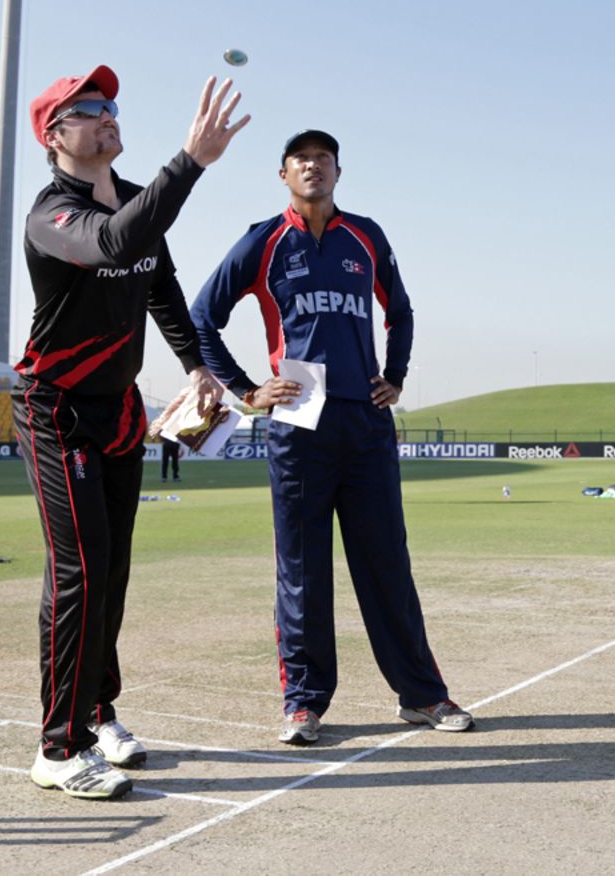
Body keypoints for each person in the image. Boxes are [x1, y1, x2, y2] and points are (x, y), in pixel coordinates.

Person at [190, 129, 473, 744]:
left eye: (322, 159)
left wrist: (393, 376)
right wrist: (246, 389)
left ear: (338, 171)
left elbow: (400, 310)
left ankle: (422, 695)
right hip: (297, 424)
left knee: (386, 564)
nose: (312, 167)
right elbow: (201, 315)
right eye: (300, 160)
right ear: (283, 175)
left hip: (364, 423)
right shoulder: (263, 240)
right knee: (302, 570)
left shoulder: (365, 235)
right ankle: (304, 702)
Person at [12, 66, 248, 799]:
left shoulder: (139, 200)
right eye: (87, 110)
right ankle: (57, 747)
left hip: (119, 412)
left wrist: (195, 365)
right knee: (79, 571)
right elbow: (115, 246)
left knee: (111, 571)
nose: (107, 116)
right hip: (55, 409)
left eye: (111, 106)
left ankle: (99, 711)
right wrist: (191, 164)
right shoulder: (52, 212)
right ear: (55, 135)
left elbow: (159, 284)